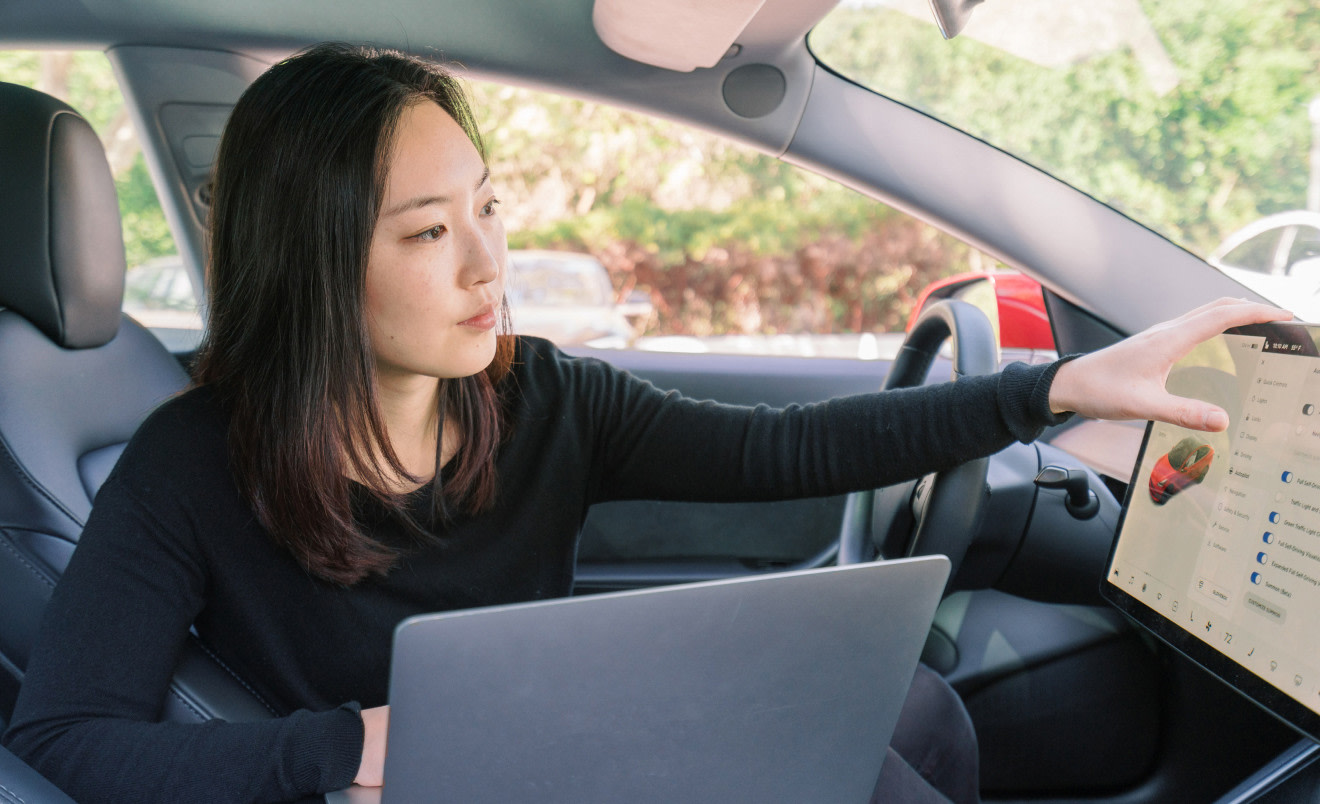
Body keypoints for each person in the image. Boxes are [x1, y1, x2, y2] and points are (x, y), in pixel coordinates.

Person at [0, 42, 1289, 804]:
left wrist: (1054, 388)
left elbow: (787, 451)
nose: (485, 266)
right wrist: (339, 747)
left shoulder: (539, 392)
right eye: (429, 233)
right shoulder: (190, 460)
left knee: (916, 728)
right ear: (319, 261)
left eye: (488, 208)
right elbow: (61, 736)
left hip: (585, 753)